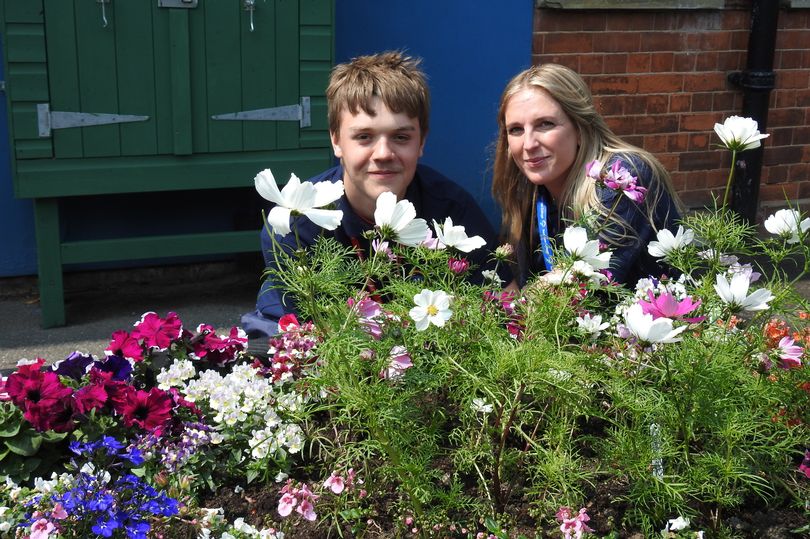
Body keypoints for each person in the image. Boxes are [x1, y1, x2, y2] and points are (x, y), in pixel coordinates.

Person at [242, 51, 505, 339]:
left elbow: (501, 301)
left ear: (422, 142)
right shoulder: (298, 226)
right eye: (364, 137)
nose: (383, 154)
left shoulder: (453, 211)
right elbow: (291, 337)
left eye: (401, 137)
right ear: (336, 140)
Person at [491, 63, 683, 288]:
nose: (528, 144)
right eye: (516, 129)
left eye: (545, 124)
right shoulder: (529, 195)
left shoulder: (622, 177)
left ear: (581, 128)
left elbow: (588, 288)